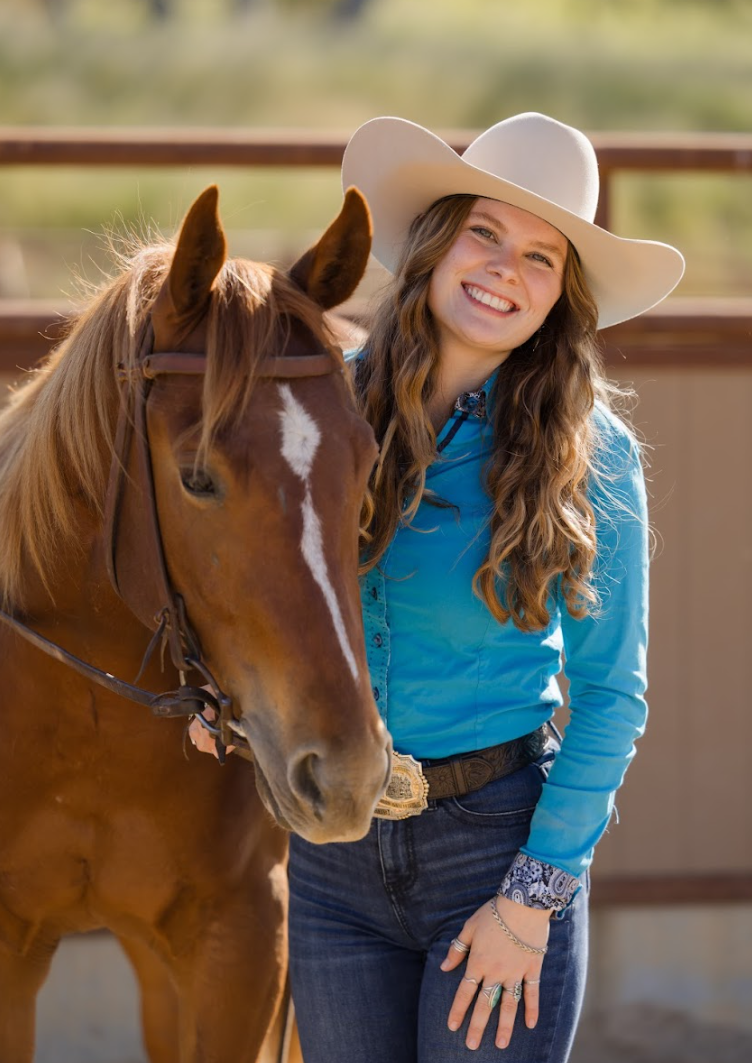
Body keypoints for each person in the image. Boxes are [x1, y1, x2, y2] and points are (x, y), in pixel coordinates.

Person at [192, 112, 684, 1062]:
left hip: (496, 852)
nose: (506, 269)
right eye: (486, 233)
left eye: (542, 258)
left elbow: (613, 697)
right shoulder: (318, 408)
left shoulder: (593, 456)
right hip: (335, 853)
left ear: (560, 299)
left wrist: (533, 899)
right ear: (435, 242)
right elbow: (256, 590)